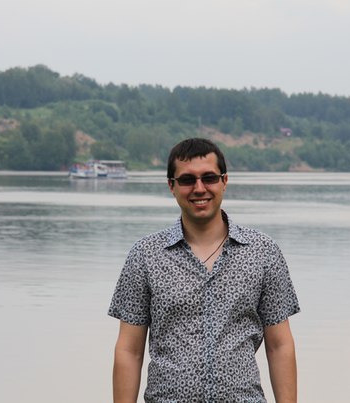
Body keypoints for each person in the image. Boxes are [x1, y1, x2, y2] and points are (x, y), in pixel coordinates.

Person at [109, 138, 300, 402]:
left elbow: (280, 346)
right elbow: (129, 350)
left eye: (209, 178)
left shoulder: (263, 252)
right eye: (187, 180)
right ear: (171, 186)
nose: (199, 189)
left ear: (224, 181)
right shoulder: (145, 255)